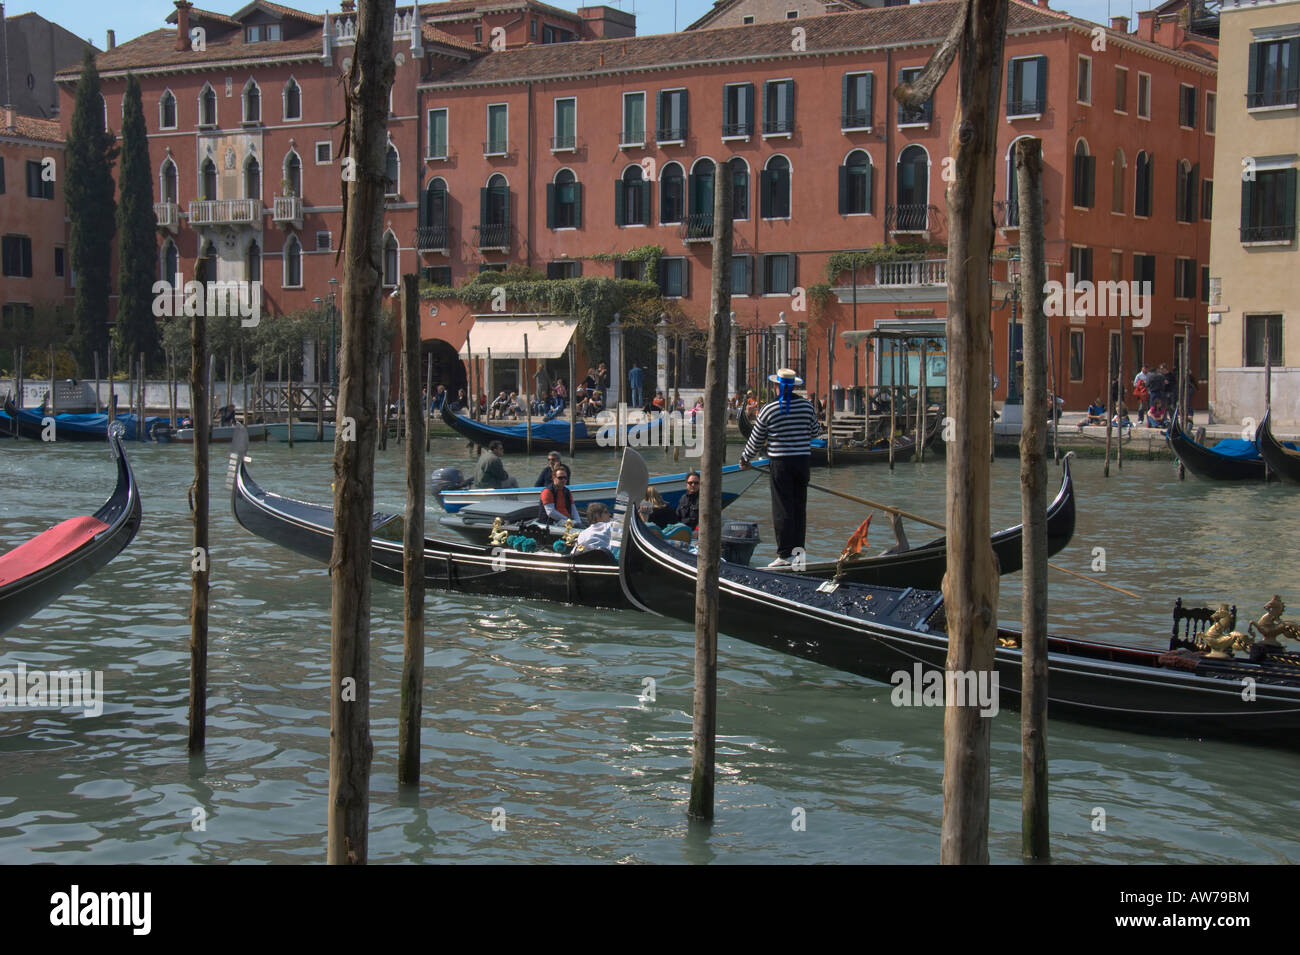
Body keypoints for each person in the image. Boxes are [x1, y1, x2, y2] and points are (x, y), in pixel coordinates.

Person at [740, 368, 819, 568]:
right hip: (802, 462)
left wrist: (745, 459)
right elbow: (814, 431)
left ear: (776, 386)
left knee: (782, 508)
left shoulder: (769, 409)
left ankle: (785, 555)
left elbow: (756, 439)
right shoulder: (807, 406)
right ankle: (798, 555)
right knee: (799, 508)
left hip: (781, 464)